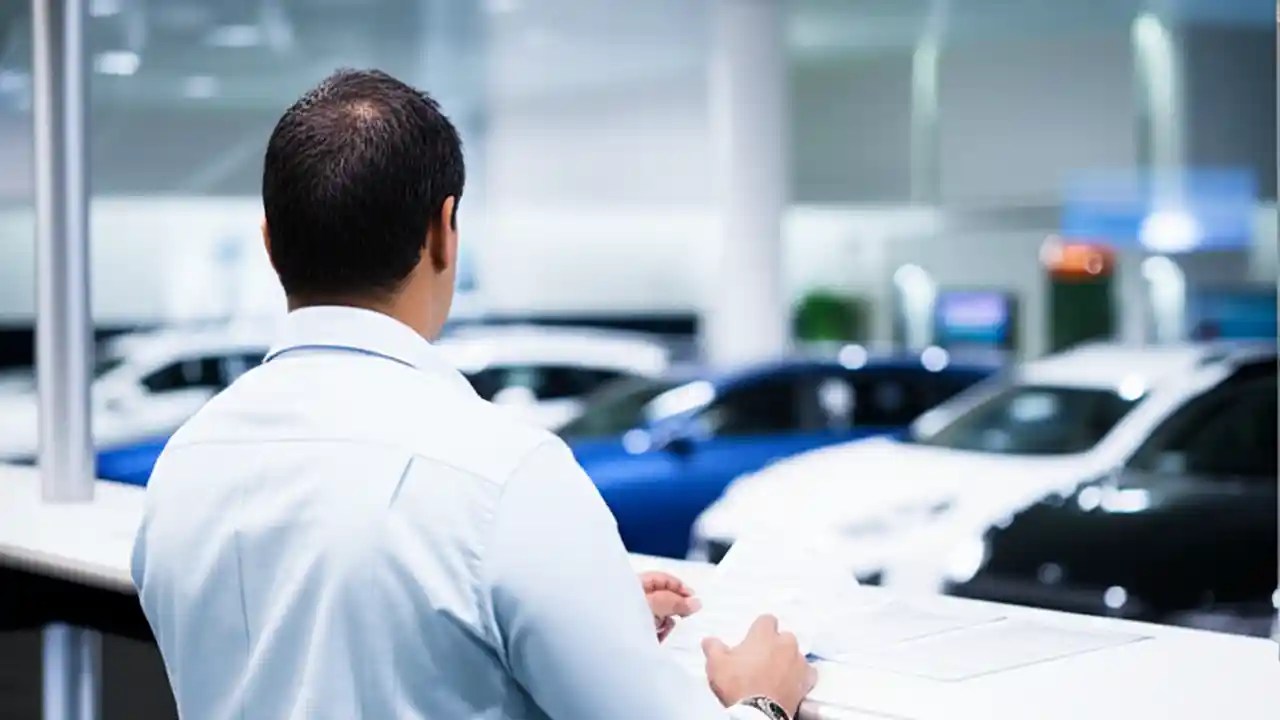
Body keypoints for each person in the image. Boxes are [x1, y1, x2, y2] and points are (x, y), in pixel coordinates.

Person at [131, 69, 815, 720]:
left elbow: (320, 654)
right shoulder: (501, 477)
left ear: (270, 243)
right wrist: (762, 698)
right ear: (443, 230)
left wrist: (574, 620)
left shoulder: (185, 462)